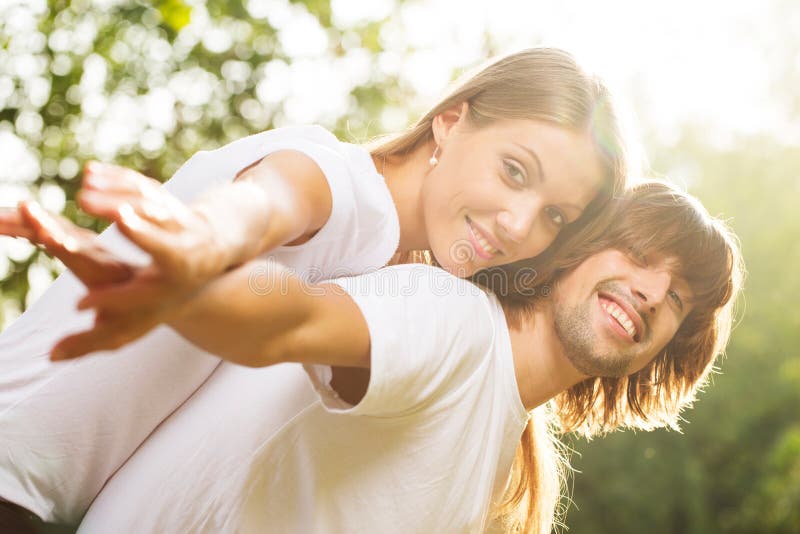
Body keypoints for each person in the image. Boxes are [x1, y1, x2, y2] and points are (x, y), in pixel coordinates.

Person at [0, 47, 628, 528]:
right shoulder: (341, 182)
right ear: (450, 122)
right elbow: (267, 203)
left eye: (556, 216)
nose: (521, 226)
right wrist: (203, 241)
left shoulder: (392, 280)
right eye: (514, 170)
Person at [5, 181, 743, 532]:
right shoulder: (455, 324)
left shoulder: (498, 466)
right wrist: (185, 271)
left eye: (677, 297)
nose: (650, 291)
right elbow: (290, 317)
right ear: (577, 249)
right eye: (641, 254)